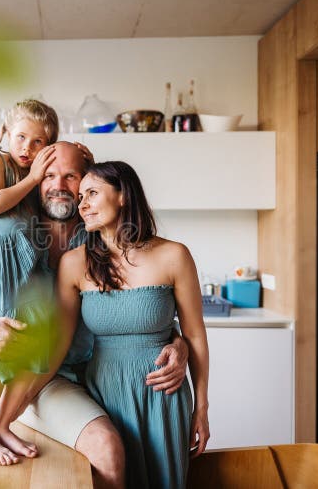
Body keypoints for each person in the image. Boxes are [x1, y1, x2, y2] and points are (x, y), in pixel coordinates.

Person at [0, 142, 189, 488]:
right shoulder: (11, 234)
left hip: (104, 375)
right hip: (43, 379)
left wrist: (177, 341)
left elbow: (137, 303)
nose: (59, 185)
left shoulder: (99, 229)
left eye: (71, 176)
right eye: (49, 175)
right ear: (35, 181)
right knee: (107, 447)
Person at [55, 161, 210, 488]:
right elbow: (56, 343)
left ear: (123, 195)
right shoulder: (73, 264)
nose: (81, 204)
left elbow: (195, 334)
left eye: (92, 193)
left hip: (162, 396)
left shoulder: (174, 255)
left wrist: (202, 407)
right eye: (80, 196)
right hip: (101, 397)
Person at [0, 99, 59, 466]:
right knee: (2, 333)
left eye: (38, 143)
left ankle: (2, 426)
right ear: (5, 135)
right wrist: (34, 176)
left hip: (19, 263)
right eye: (20, 137)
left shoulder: (32, 176)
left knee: (32, 335)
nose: (27, 148)